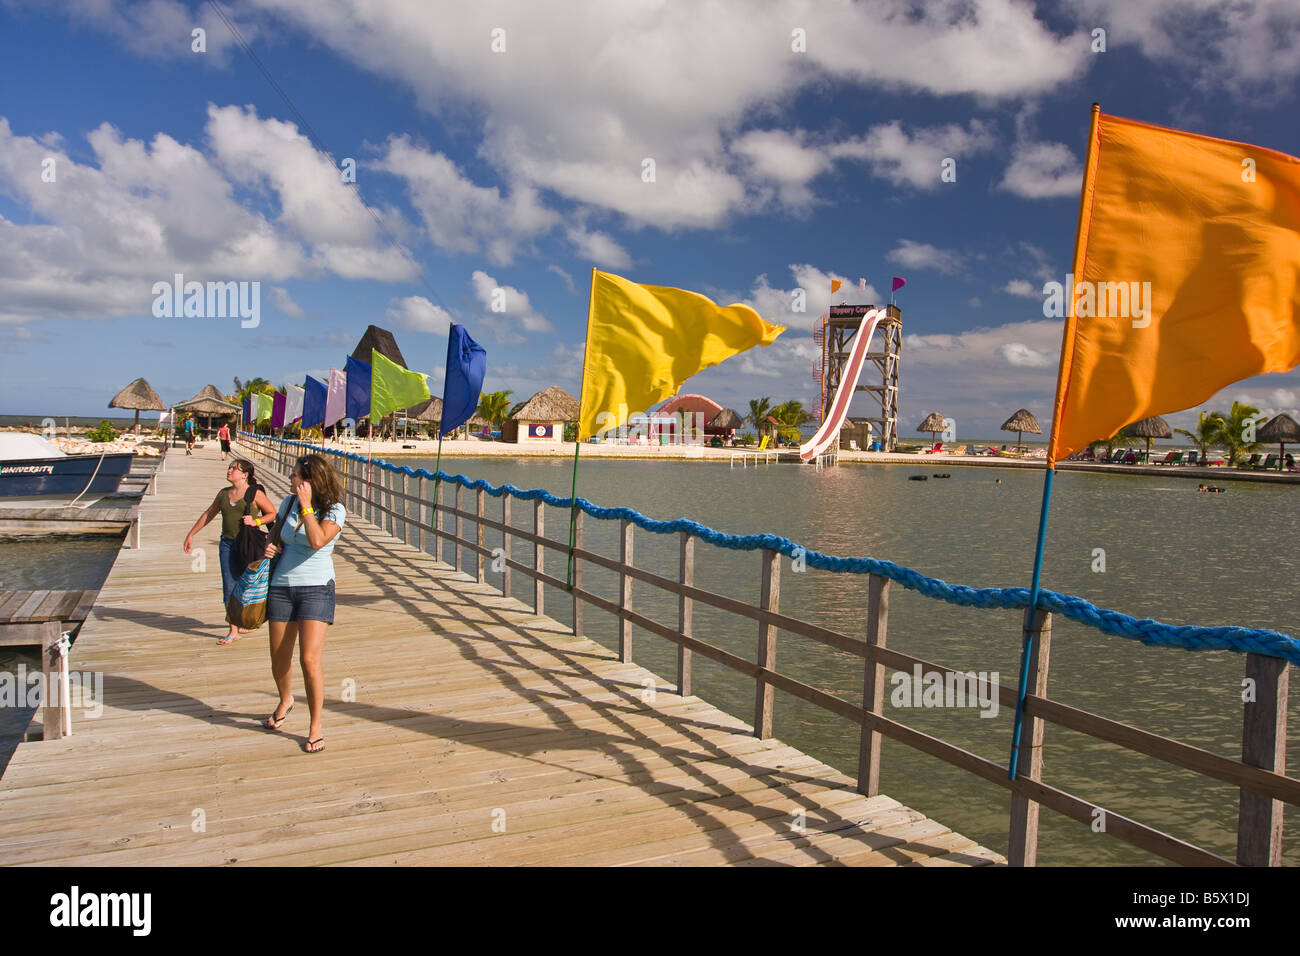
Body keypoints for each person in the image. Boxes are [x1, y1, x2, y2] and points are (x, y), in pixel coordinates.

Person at [263, 454, 346, 753]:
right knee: (279, 658)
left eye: (295, 474)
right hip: (281, 587)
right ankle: (286, 699)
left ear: (310, 481)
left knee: (308, 660)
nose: (290, 478)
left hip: (317, 588)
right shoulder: (286, 504)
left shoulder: (335, 510)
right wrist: (271, 547)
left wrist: (308, 507)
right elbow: (278, 536)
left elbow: (316, 541)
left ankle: (315, 726)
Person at [182, 459, 277, 643]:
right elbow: (208, 514)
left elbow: (272, 514)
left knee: (249, 583)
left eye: (235, 468)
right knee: (229, 585)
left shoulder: (254, 493)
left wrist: (256, 521)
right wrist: (191, 534)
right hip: (227, 544)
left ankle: (250, 619)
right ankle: (233, 630)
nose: (230, 470)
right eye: (230, 467)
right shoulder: (224, 494)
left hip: (248, 544)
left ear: (245, 475)